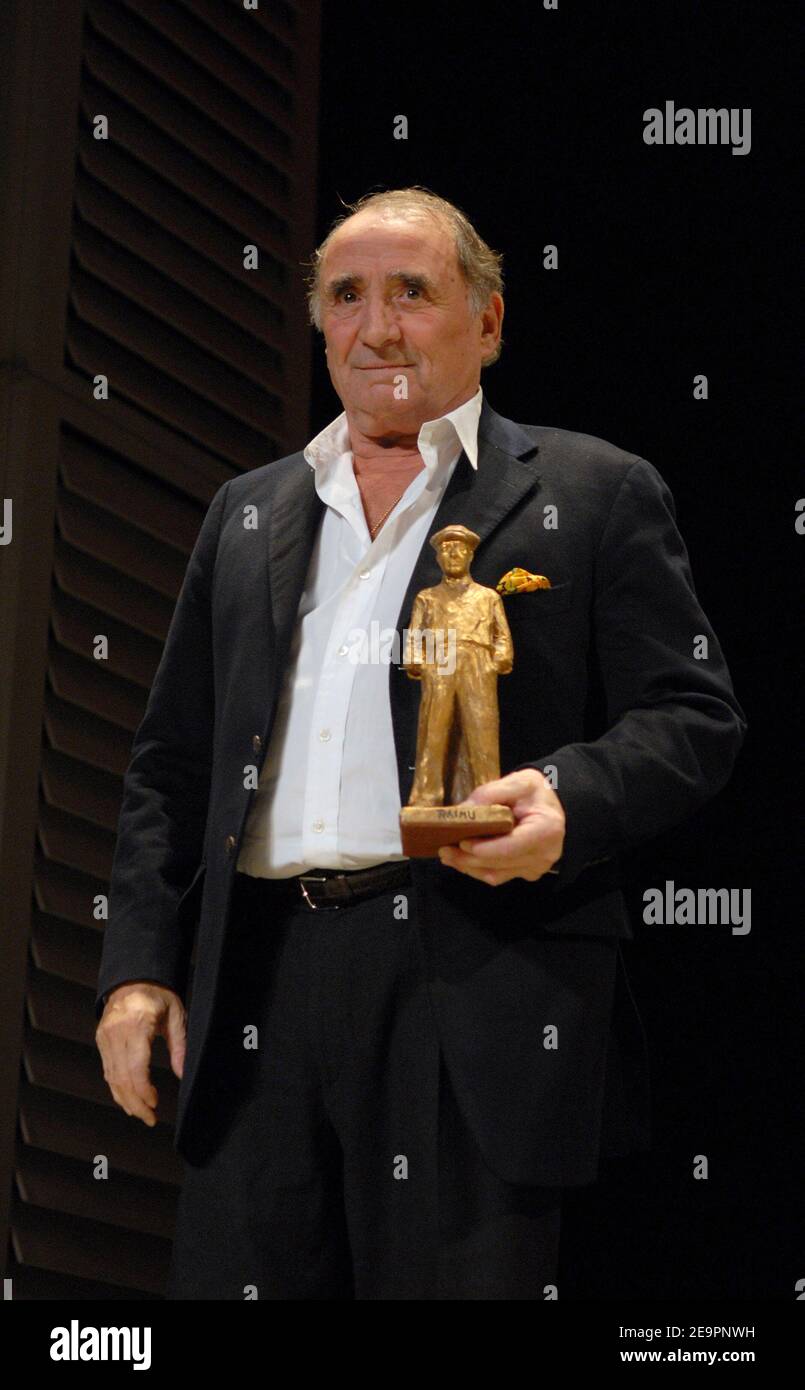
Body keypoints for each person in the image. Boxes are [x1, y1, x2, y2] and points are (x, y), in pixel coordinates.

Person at [95, 186, 746, 1300]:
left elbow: (694, 716)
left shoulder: (590, 489)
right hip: (258, 979)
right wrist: (139, 970)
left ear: (487, 323)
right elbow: (170, 763)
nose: (376, 326)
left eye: (411, 293)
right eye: (346, 296)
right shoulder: (247, 510)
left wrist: (565, 798)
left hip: (471, 973)